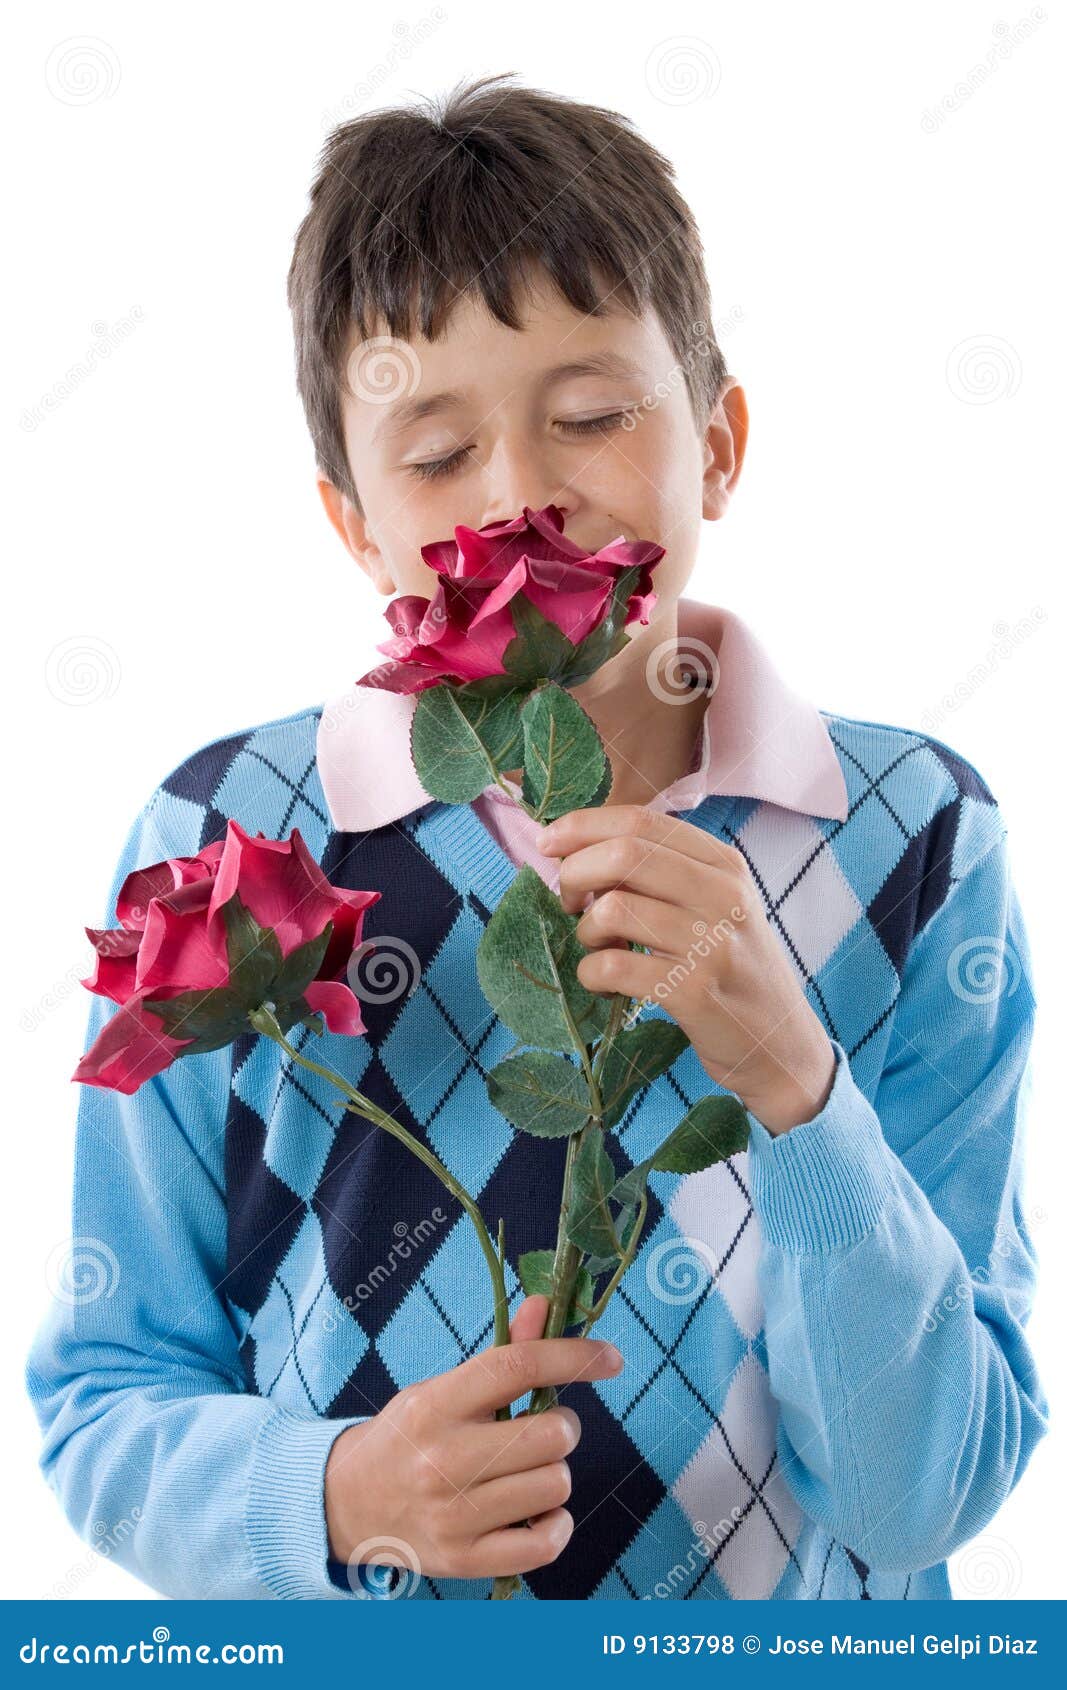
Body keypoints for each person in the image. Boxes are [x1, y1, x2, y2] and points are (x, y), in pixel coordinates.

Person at [26, 72, 1045, 1602]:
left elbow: (922, 1498)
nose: (523, 499)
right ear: (352, 524)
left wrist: (794, 1080)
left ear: (718, 442)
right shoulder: (228, 837)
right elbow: (104, 1392)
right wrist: (333, 1492)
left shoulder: (915, 836)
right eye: (436, 457)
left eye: (588, 416)